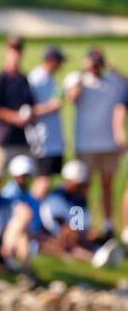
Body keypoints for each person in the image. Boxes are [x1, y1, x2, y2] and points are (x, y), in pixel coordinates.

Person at [65, 47, 126, 239]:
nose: (96, 67)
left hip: (108, 145)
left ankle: (108, 226)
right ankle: (79, 226)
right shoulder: (78, 80)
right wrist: (83, 72)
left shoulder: (112, 82)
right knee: (81, 188)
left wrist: (114, 69)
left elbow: (126, 85)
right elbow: (72, 96)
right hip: (86, 145)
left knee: (108, 186)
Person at [0, 35, 35, 178]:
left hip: (21, 140)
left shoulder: (23, 78)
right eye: (12, 50)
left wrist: (28, 116)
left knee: (22, 181)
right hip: (2, 140)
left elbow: (30, 104)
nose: (16, 54)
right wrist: (15, 118)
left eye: (18, 50)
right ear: (6, 51)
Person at [25, 45, 67, 197]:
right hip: (42, 140)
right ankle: (33, 213)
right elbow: (27, 111)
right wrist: (51, 106)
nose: (61, 65)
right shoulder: (36, 79)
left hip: (54, 140)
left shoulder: (52, 79)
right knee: (43, 181)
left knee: (49, 182)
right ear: (51, 60)